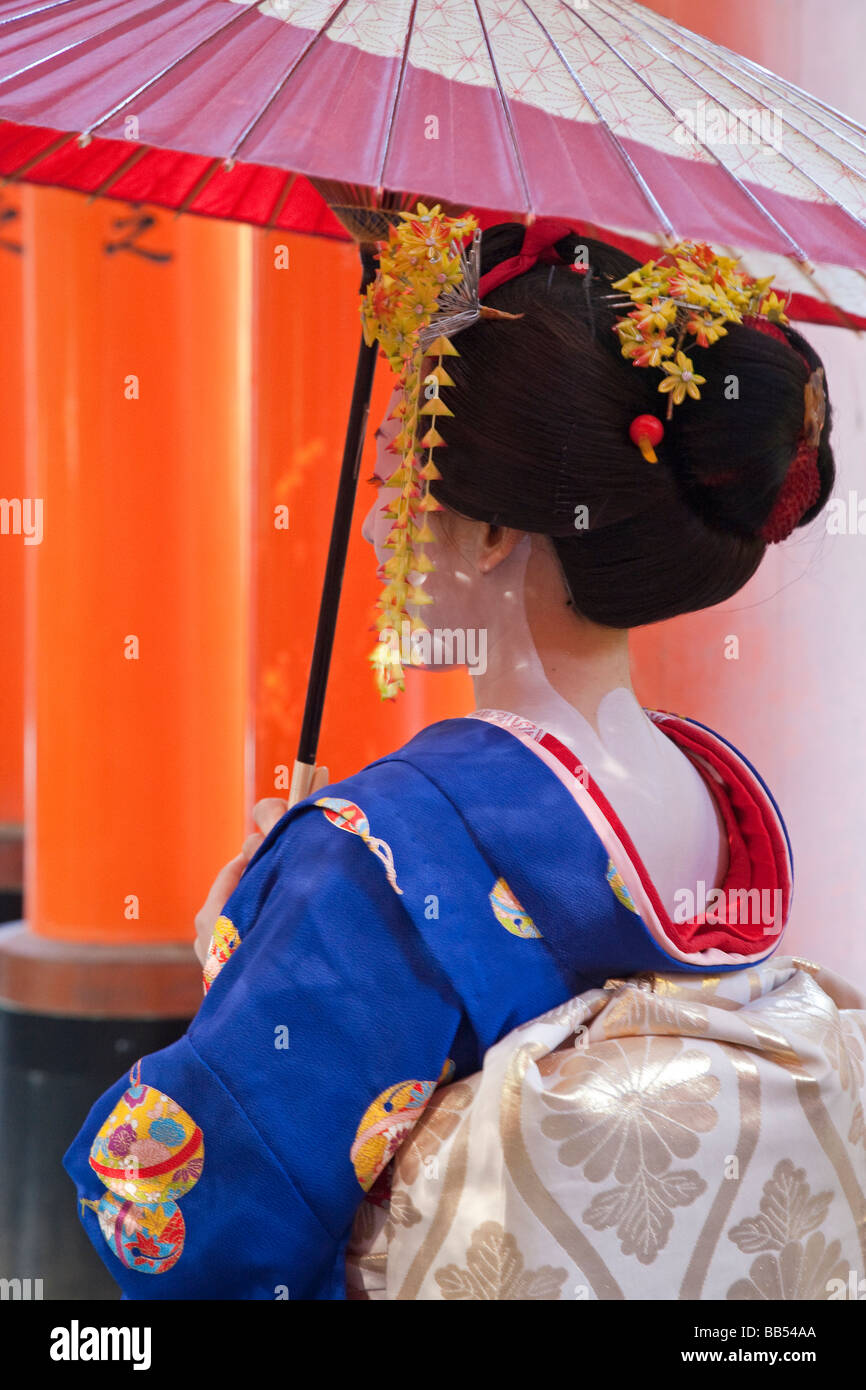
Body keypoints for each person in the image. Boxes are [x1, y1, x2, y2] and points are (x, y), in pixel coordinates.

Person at [64, 218, 837, 1300]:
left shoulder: (376, 857)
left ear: (487, 536)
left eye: (396, 467)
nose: (378, 524)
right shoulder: (714, 801)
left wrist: (247, 950)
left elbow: (171, 1212)